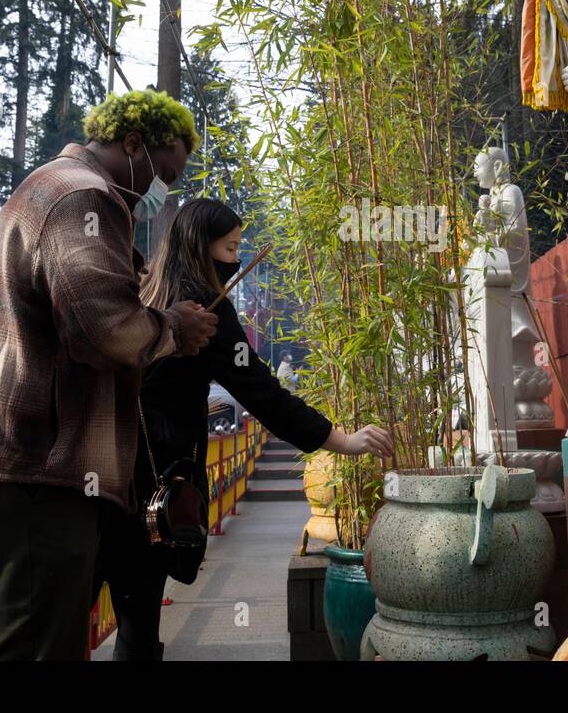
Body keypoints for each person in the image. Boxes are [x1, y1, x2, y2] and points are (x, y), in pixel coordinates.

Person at [0, 90, 219, 661]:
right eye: (164, 175)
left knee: (37, 641)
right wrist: (173, 328)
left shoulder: (59, 187)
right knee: (35, 651)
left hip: (12, 470)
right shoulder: (82, 197)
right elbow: (104, 328)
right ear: (132, 145)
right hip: (23, 469)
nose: (162, 192)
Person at [94, 197, 393, 661]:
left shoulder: (142, 294)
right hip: (152, 485)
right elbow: (261, 393)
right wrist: (341, 440)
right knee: (137, 621)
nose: (236, 259)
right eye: (231, 248)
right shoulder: (204, 311)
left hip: (94, 474)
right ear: (202, 246)